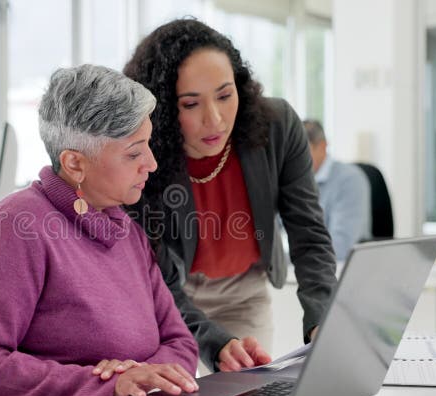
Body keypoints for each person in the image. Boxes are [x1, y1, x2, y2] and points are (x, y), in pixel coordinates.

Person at [0, 64, 200, 396]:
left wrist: (143, 376)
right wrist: (106, 383)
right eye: (133, 153)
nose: (151, 164)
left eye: (148, 146)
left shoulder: (126, 231)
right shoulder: (14, 229)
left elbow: (180, 342)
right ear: (75, 163)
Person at [123, 18, 336, 374]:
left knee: (249, 394)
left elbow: (309, 234)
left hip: (244, 293)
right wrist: (213, 343)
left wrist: (322, 322)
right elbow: (155, 276)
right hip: (169, 294)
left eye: (224, 95)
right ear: (161, 108)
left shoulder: (278, 126)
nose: (216, 119)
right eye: (191, 104)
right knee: (175, 394)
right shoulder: (142, 154)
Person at [304, 119, 371, 261]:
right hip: (308, 266)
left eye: (301, 151)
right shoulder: (294, 181)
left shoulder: (349, 179)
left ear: (322, 147)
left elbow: (341, 247)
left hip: (341, 267)